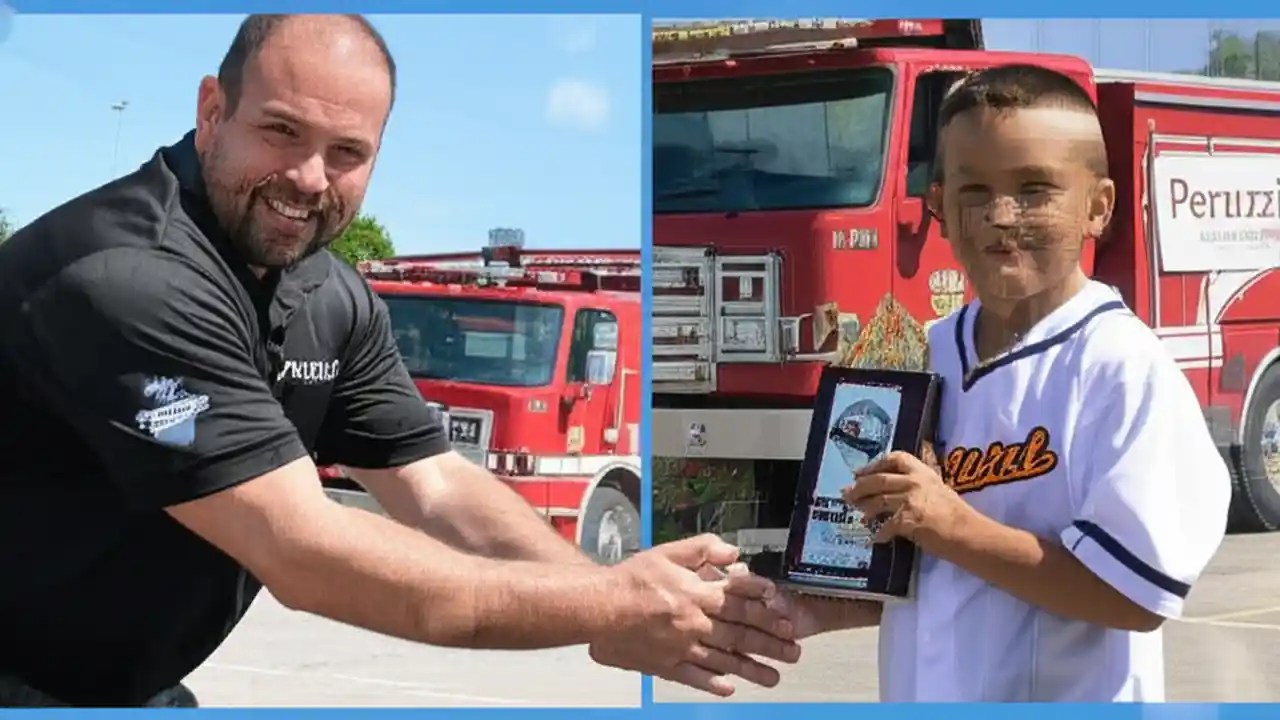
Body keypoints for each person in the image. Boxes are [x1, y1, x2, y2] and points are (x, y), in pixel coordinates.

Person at [0, 14, 798, 708]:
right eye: (281, 131)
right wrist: (611, 606)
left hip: (121, 686)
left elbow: (434, 484)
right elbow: (305, 554)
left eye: (347, 151)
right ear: (212, 111)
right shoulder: (130, 276)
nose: (309, 179)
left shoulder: (325, 292)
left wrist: (605, 596)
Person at [793, 64, 1232, 701]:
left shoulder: (1119, 366)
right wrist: (813, 603)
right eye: (974, 191)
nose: (1001, 215)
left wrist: (950, 523)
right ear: (938, 207)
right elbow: (925, 570)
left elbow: (1136, 595)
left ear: (1098, 206)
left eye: (1034, 188)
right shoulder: (924, 352)